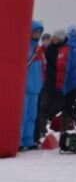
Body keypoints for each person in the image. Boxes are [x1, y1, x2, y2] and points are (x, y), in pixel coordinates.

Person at [20, 20, 45, 151]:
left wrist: (42, 82)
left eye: (39, 32)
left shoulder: (38, 49)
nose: (37, 34)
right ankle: (18, 140)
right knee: (22, 116)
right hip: (24, 88)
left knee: (32, 116)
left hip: (35, 87)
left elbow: (43, 69)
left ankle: (28, 140)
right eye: (35, 31)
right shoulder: (24, 47)